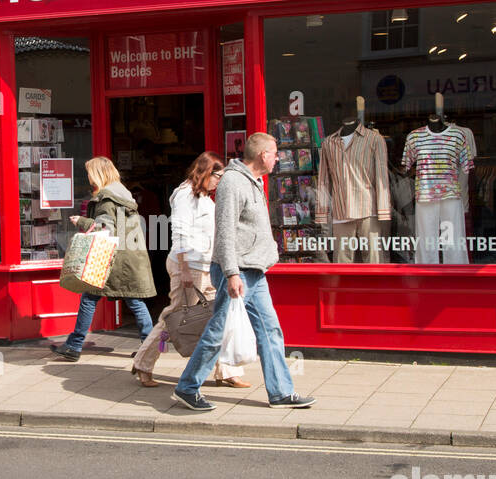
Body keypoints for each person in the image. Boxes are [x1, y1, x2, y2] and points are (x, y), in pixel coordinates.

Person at [172, 133, 316, 412]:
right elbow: (225, 231)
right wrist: (231, 273)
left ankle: (281, 392)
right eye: (274, 153)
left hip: (254, 271)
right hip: (237, 271)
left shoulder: (254, 181)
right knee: (218, 331)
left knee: (270, 330)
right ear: (262, 155)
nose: (278, 159)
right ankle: (187, 387)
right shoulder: (233, 182)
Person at [129, 152, 249, 388]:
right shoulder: (185, 195)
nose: (219, 182)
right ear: (206, 172)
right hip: (189, 266)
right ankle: (143, 363)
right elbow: (180, 232)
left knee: (220, 316)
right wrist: (183, 268)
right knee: (175, 318)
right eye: (218, 176)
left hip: (207, 265)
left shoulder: (204, 197)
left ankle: (227, 371)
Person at [51, 157, 155, 361]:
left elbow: (105, 229)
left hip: (112, 260)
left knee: (91, 298)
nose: (88, 178)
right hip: (129, 258)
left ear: (97, 174)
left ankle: (74, 346)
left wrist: (81, 221)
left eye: (90, 173)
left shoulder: (106, 199)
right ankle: (148, 347)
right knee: (134, 300)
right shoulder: (123, 193)